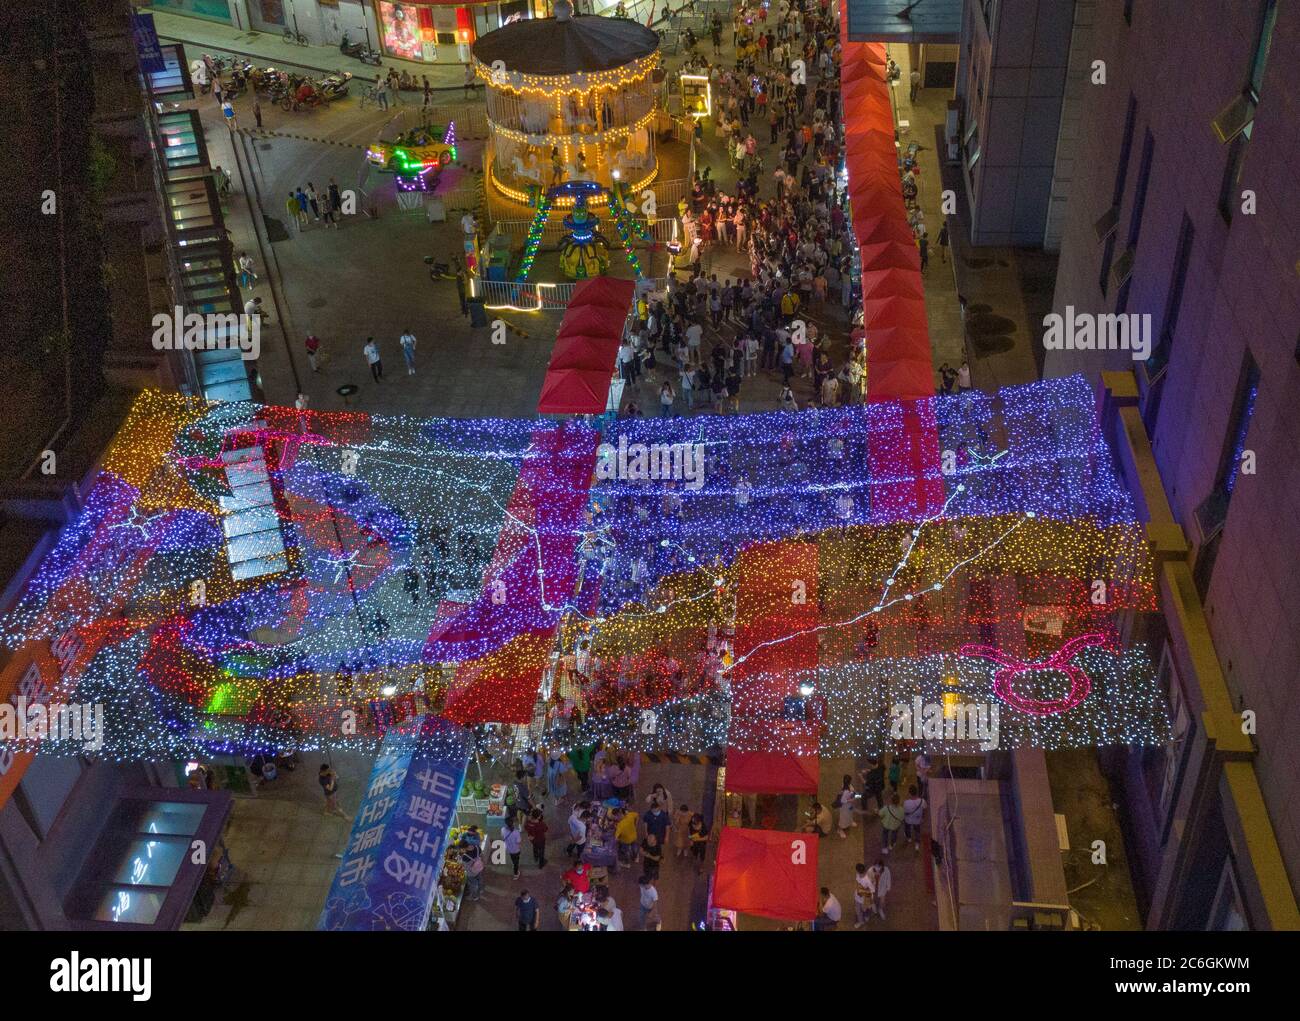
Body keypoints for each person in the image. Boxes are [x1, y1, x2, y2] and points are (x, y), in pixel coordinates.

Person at [903, 785, 927, 849]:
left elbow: (905, 812)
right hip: (917, 820)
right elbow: (924, 810)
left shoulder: (906, 802)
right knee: (917, 831)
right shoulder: (922, 801)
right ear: (916, 792)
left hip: (908, 820)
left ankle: (909, 838)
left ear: (909, 793)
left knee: (907, 828)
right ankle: (917, 844)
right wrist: (923, 817)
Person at [853, 863, 875, 928]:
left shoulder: (867, 880)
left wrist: (863, 892)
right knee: (858, 910)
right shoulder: (857, 875)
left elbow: (872, 890)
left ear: (857, 871)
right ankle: (862, 920)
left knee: (864, 909)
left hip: (863, 899)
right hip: (857, 897)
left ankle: (864, 918)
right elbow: (857, 882)